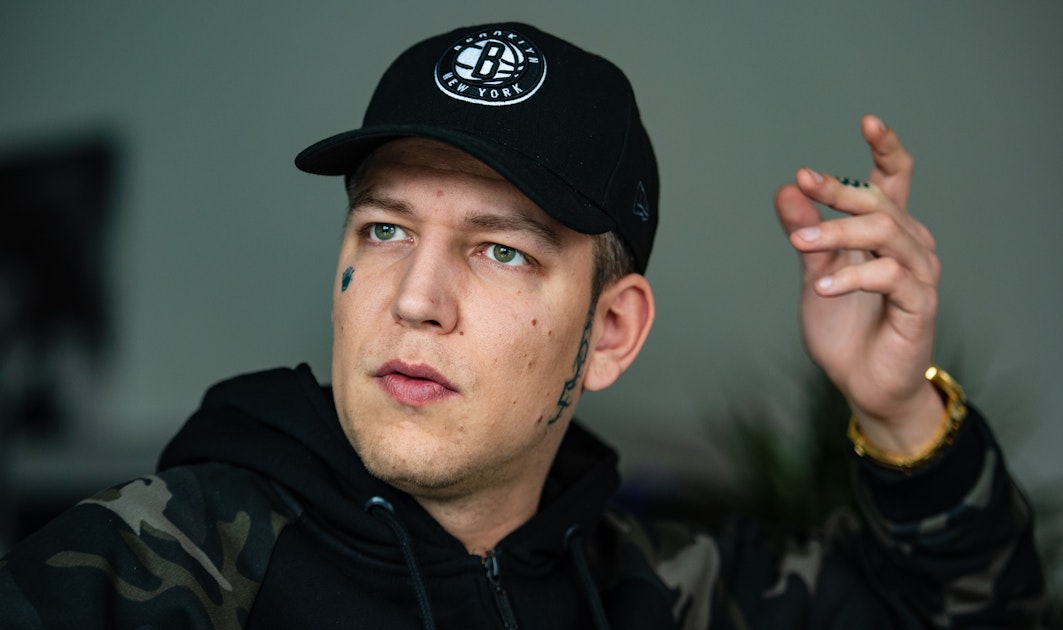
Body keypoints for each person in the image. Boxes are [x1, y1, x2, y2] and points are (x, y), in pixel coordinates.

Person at [0, 21, 1047, 629]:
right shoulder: (154, 567)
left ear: (611, 333)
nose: (415, 297)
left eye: (501, 250)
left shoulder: (672, 593)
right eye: (385, 229)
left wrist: (897, 409)